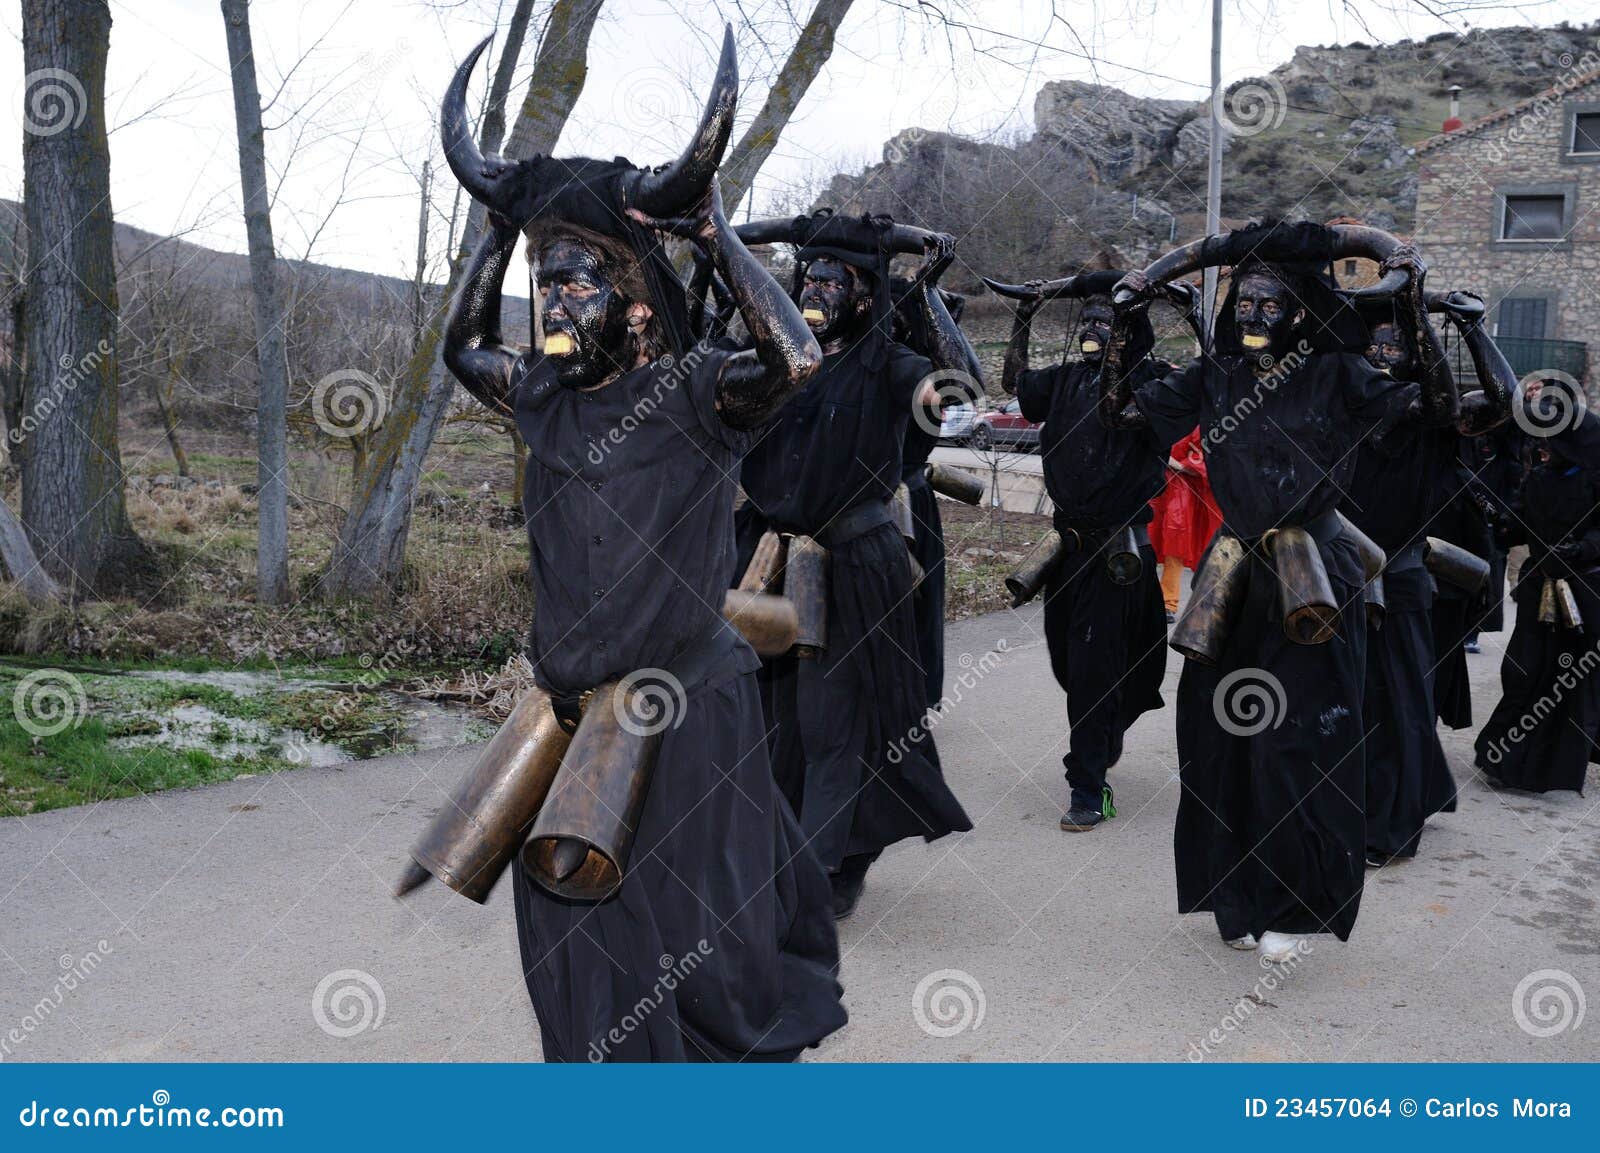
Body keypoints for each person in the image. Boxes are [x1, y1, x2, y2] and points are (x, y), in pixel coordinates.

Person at [438, 32, 845, 1061]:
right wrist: (503, 226)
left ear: (630, 305)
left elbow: (795, 362)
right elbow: (462, 344)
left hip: (685, 714)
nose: (554, 306)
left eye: (575, 285)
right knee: (574, 943)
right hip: (573, 722)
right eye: (547, 284)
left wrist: (710, 233)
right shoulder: (535, 396)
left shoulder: (699, 392)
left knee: (700, 948)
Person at [1103, 221, 1417, 963]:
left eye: (1267, 304)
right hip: (1232, 570)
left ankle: (1296, 901)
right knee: (1219, 740)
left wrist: (1422, 302)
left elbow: (1430, 408)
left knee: (1298, 739)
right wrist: (1128, 320)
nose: (1250, 315)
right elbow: (1124, 414)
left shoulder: (1340, 374)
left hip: (1314, 566)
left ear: (1300, 310)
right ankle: (1236, 894)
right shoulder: (1216, 376)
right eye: (1242, 302)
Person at [735, 210, 975, 919]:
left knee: (828, 719)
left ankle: (815, 873)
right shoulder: (779, 361)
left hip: (854, 564)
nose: (815, 289)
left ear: (866, 294)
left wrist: (926, 289)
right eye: (808, 276)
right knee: (770, 720)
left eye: (832, 280)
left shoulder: (890, 365)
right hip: (774, 562)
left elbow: (957, 397)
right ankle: (817, 855)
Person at [1339, 262, 1507, 866]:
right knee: (1343, 703)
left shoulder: (1436, 415)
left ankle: (1391, 830)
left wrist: (1472, 329)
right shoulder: (1345, 402)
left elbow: (1503, 401)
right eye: (1374, 342)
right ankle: (1357, 810)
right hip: (1335, 577)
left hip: (1403, 579)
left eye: (1397, 343)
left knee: (1401, 705)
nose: (1384, 352)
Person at [999, 272, 1180, 831]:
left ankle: (1088, 786)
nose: (1097, 330)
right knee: (1068, 662)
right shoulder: (1065, 380)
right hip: (1068, 550)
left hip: (1119, 554)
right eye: (1092, 320)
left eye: (1111, 321)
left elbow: (1202, 391)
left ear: (1134, 332)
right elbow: (1015, 382)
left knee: (1097, 665)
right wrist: (1025, 314)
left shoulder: (1152, 386)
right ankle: (1103, 732)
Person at [1474, 378, 1600, 795]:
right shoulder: (1542, 478)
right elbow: (1520, 523)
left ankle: (1552, 768)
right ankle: (1505, 759)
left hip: (1584, 594)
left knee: (1570, 682)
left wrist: (1582, 548)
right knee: (1524, 670)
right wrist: (1500, 521)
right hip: (1539, 587)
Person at [1149, 427, 1222, 619]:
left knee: (1176, 543)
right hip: (1157, 483)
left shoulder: (1198, 423)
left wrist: (1175, 464)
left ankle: (1168, 601)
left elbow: (1205, 457)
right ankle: (1156, 600)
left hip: (1183, 489)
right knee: (1148, 541)